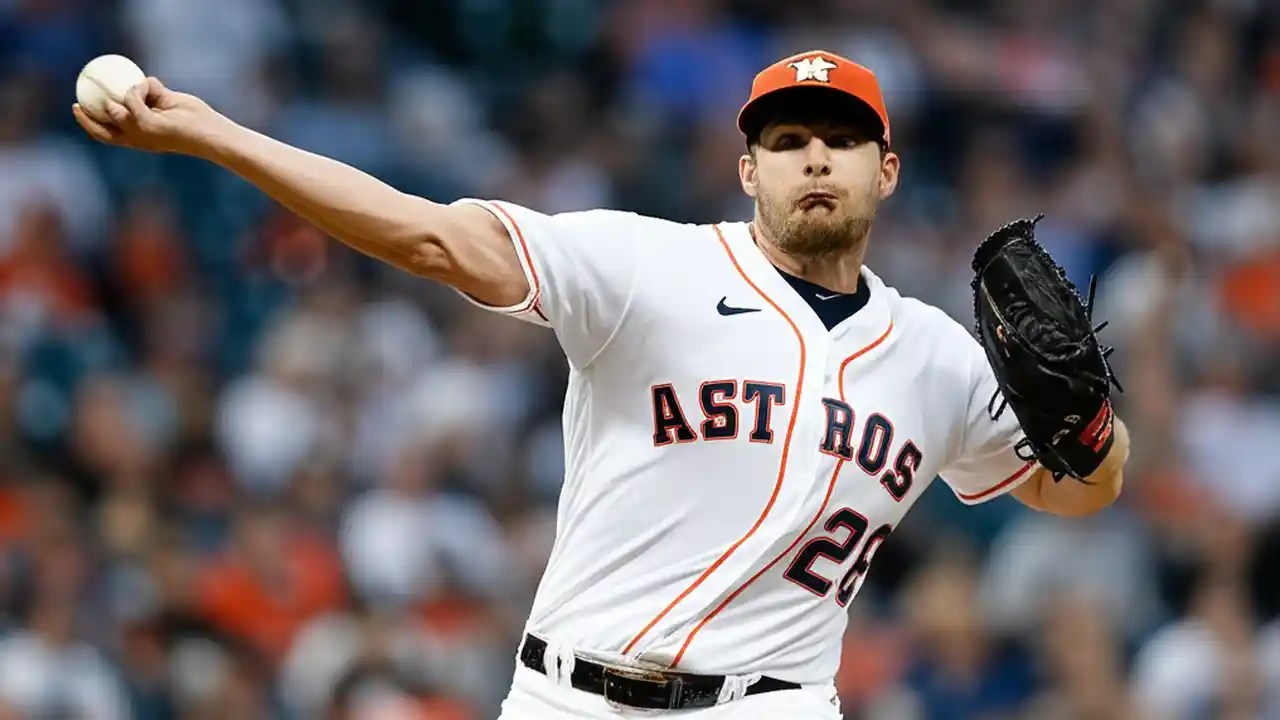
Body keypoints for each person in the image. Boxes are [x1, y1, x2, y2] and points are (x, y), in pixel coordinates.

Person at [73, 49, 1130, 719]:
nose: (815, 159)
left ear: (885, 170)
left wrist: (1089, 424)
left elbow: (1078, 485)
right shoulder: (644, 267)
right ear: (745, 169)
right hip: (568, 696)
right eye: (787, 140)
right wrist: (208, 133)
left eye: (842, 141)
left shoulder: (936, 353)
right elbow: (434, 238)